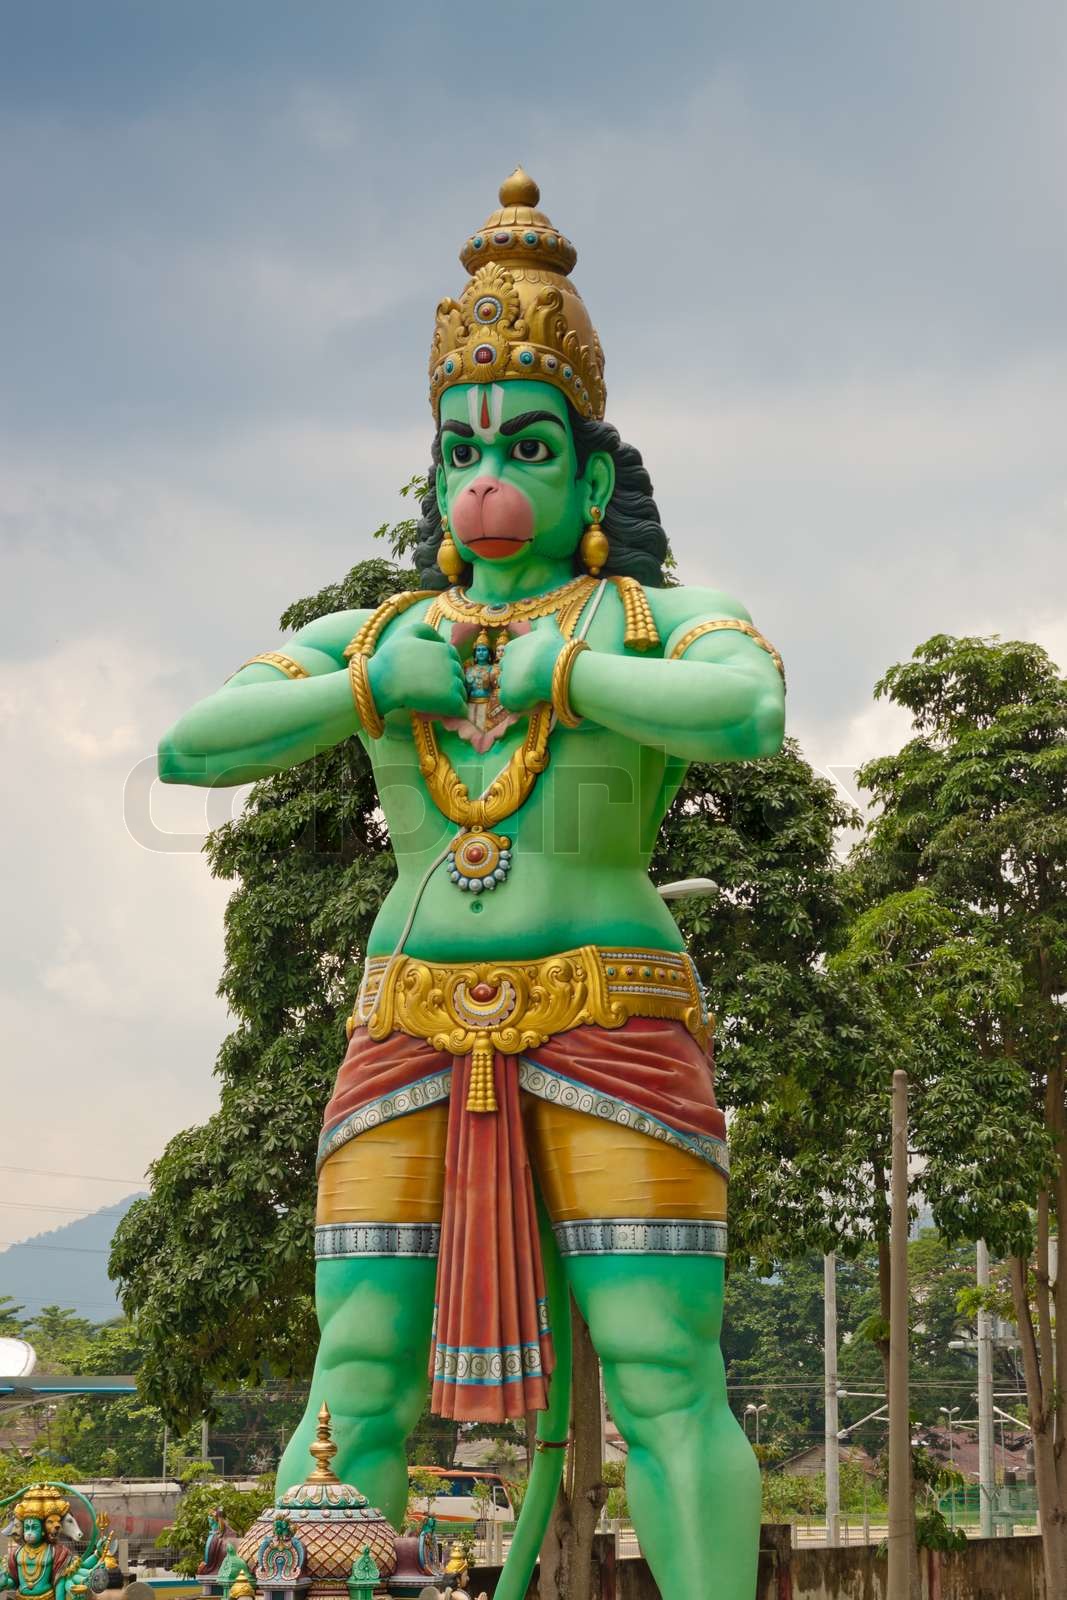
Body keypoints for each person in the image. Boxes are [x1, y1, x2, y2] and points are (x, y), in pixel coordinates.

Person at [160, 169, 785, 1600]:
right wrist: (371, 682)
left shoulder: (651, 617)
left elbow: (747, 714)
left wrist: (567, 671)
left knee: (663, 1375)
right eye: (461, 444)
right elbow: (190, 743)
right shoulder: (378, 634)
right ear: (438, 473)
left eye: (526, 440)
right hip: (404, 1022)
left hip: (609, 1011)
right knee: (358, 1376)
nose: (488, 468)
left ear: (587, 473)